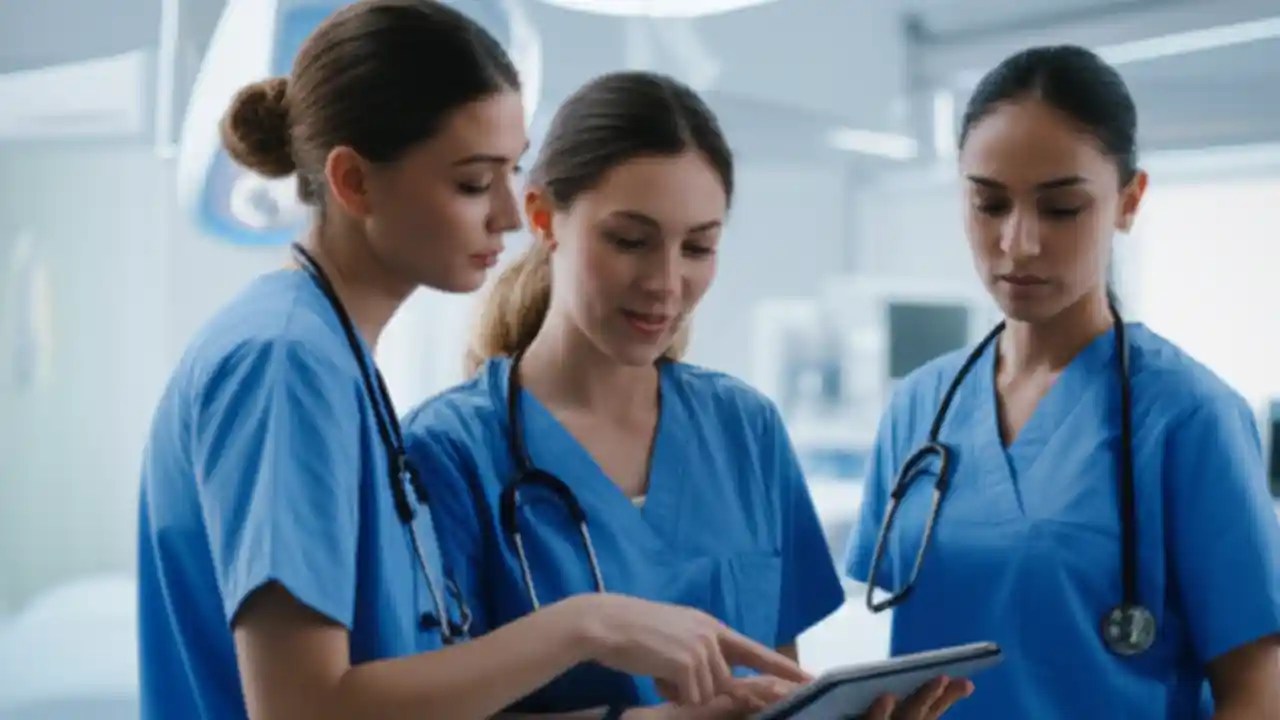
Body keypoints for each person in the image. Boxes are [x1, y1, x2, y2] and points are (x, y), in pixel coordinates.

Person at [135, 4, 815, 720]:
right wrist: (586, 624)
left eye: (510, 173)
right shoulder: (283, 364)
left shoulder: (337, 365)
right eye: (471, 183)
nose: (510, 217)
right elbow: (305, 709)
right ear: (354, 182)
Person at [401, 70, 973, 720]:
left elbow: (779, 682)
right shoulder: (446, 453)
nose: (665, 282)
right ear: (541, 218)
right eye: (630, 241)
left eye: (698, 246)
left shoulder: (744, 429)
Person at [844, 44, 1280, 719]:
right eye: (989, 204)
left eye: (1061, 209)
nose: (1018, 243)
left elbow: (1257, 689)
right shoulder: (920, 409)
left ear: (1129, 201)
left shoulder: (1190, 418)